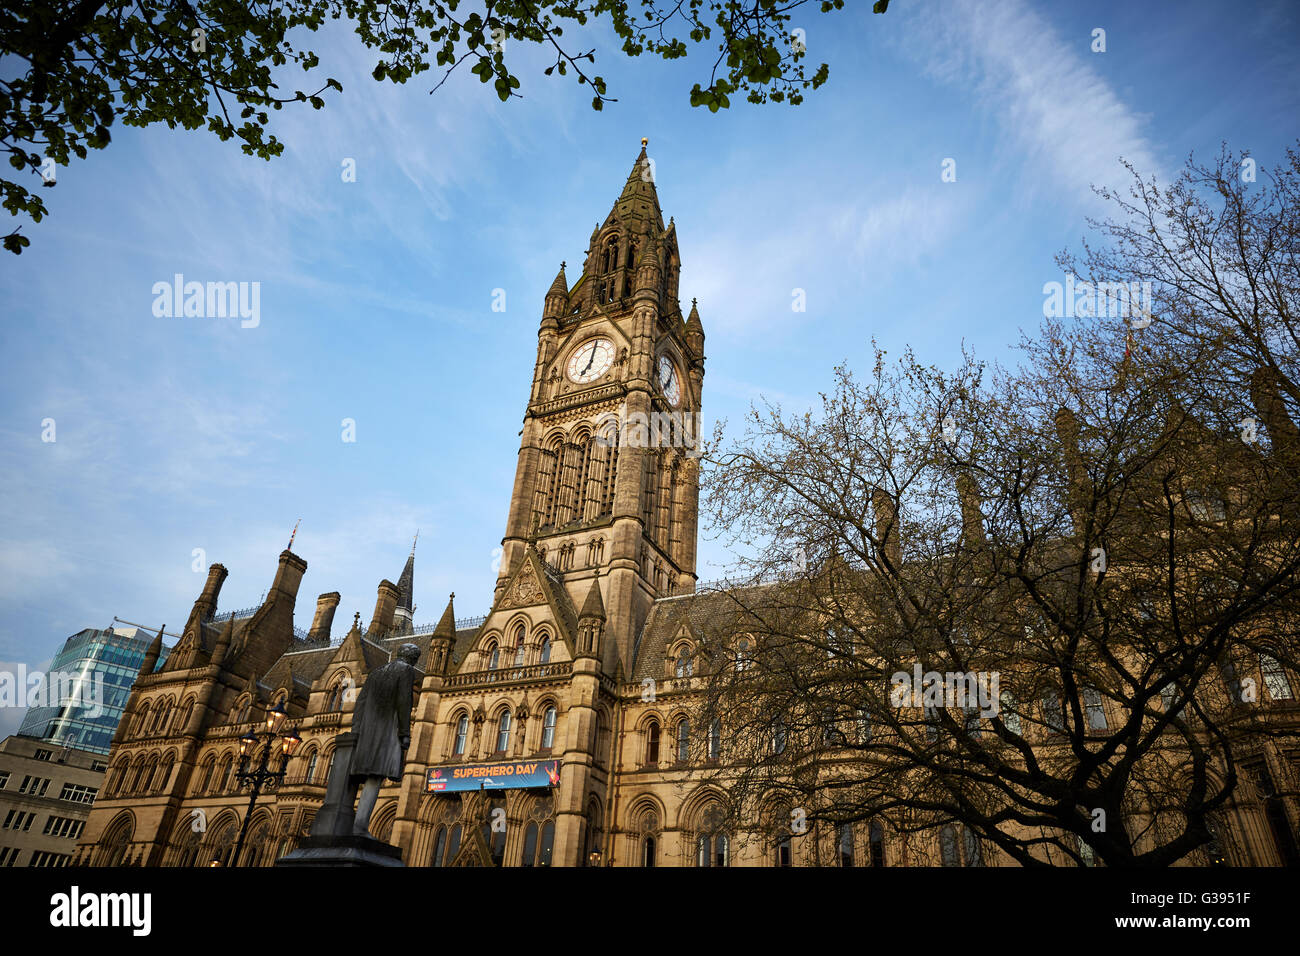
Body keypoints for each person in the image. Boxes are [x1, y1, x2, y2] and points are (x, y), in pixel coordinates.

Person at [350, 643, 421, 837]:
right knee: (376, 777)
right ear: (413, 659)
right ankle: (360, 826)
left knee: (362, 776)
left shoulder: (376, 672)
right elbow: (404, 702)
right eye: (416, 659)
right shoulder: (406, 670)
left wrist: (356, 729)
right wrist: (404, 733)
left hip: (367, 731)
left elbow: (361, 702)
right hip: (387, 730)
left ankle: (353, 824)